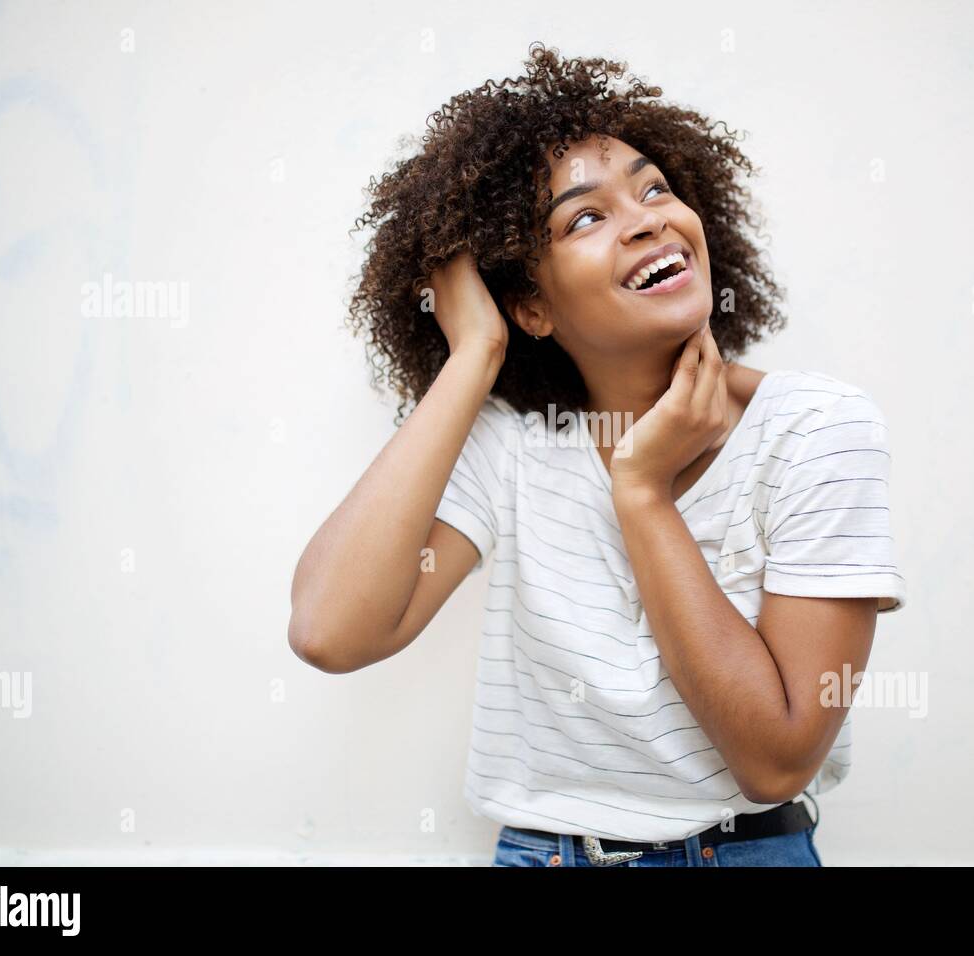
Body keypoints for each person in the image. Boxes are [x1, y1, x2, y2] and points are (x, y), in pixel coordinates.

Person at [289, 43, 907, 868]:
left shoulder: (816, 429)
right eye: (586, 217)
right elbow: (332, 631)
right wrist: (475, 352)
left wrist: (643, 492)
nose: (649, 217)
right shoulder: (514, 441)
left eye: (655, 188)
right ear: (532, 306)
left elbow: (777, 757)